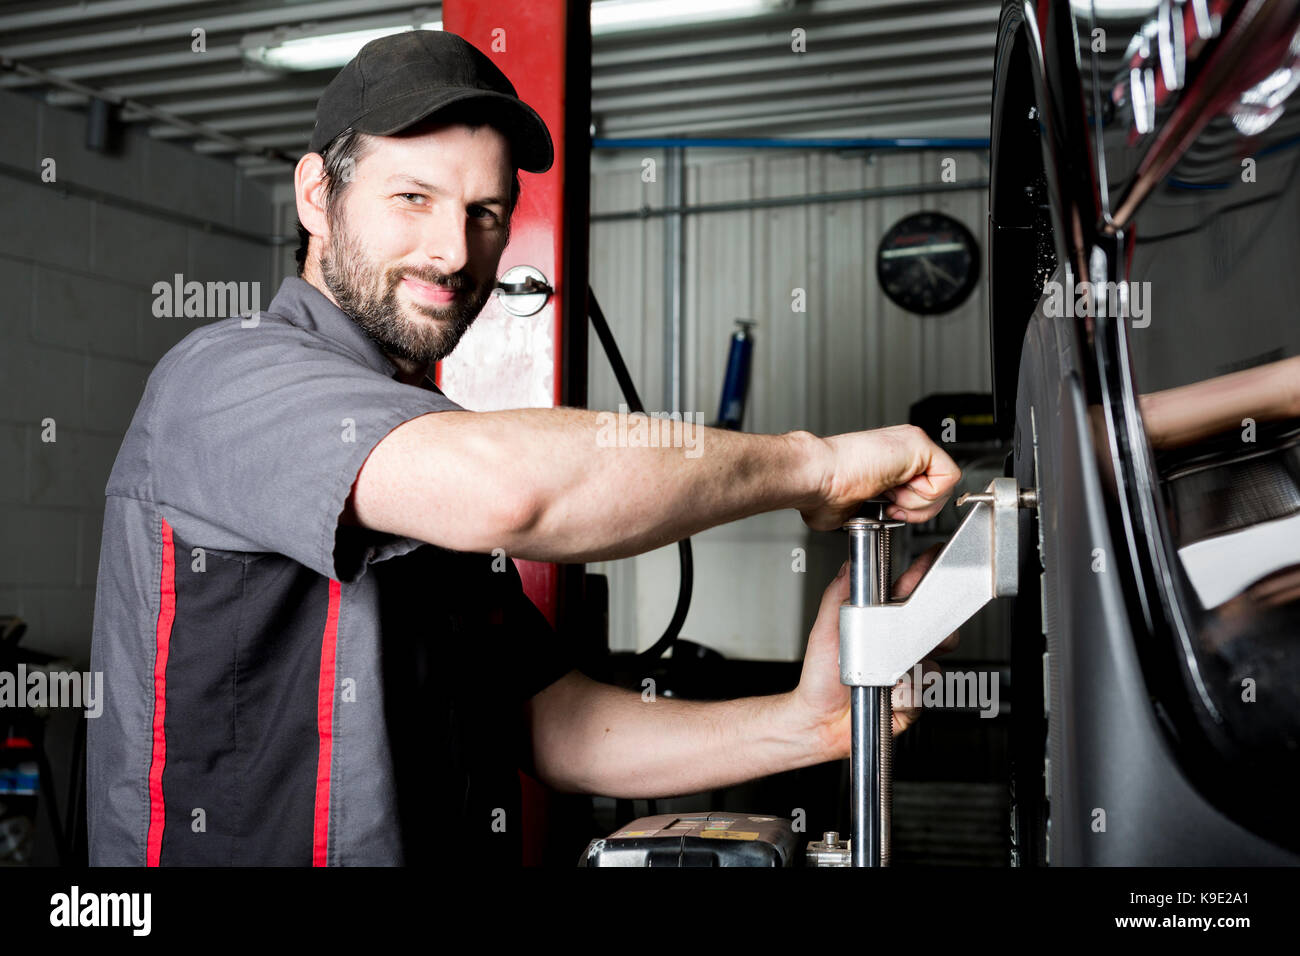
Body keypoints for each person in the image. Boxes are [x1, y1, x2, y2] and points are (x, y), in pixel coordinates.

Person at [87, 30, 960, 866]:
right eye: (413, 197)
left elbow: (550, 722)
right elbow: (513, 492)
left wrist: (804, 725)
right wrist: (816, 466)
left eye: (486, 213)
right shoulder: (227, 379)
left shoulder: (422, 441)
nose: (453, 250)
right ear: (317, 194)